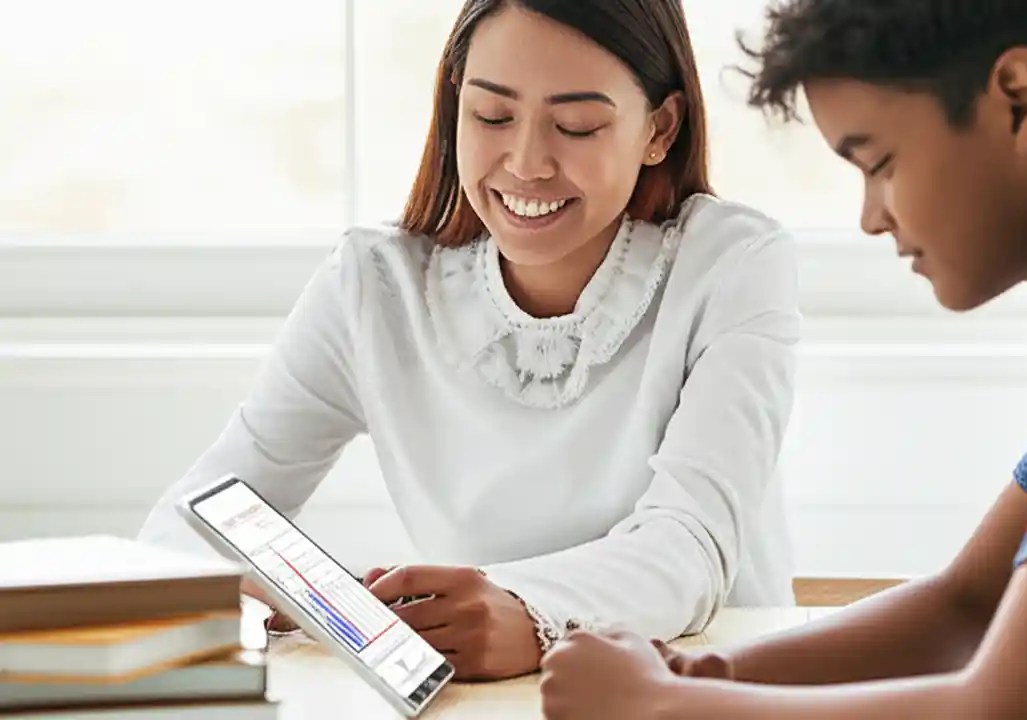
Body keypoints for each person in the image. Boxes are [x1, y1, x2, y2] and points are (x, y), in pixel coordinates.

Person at [538, 1, 1027, 718]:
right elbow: (966, 606)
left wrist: (662, 706)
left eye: (880, 163)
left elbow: (1011, 706)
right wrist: (702, 675)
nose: (871, 217)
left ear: (1020, 101)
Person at [138, 0, 801, 681]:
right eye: (492, 116)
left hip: (705, 694)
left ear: (659, 128)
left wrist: (530, 613)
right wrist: (259, 591)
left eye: (576, 125)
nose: (527, 163)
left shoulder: (731, 265)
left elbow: (690, 544)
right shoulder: (374, 285)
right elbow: (197, 518)